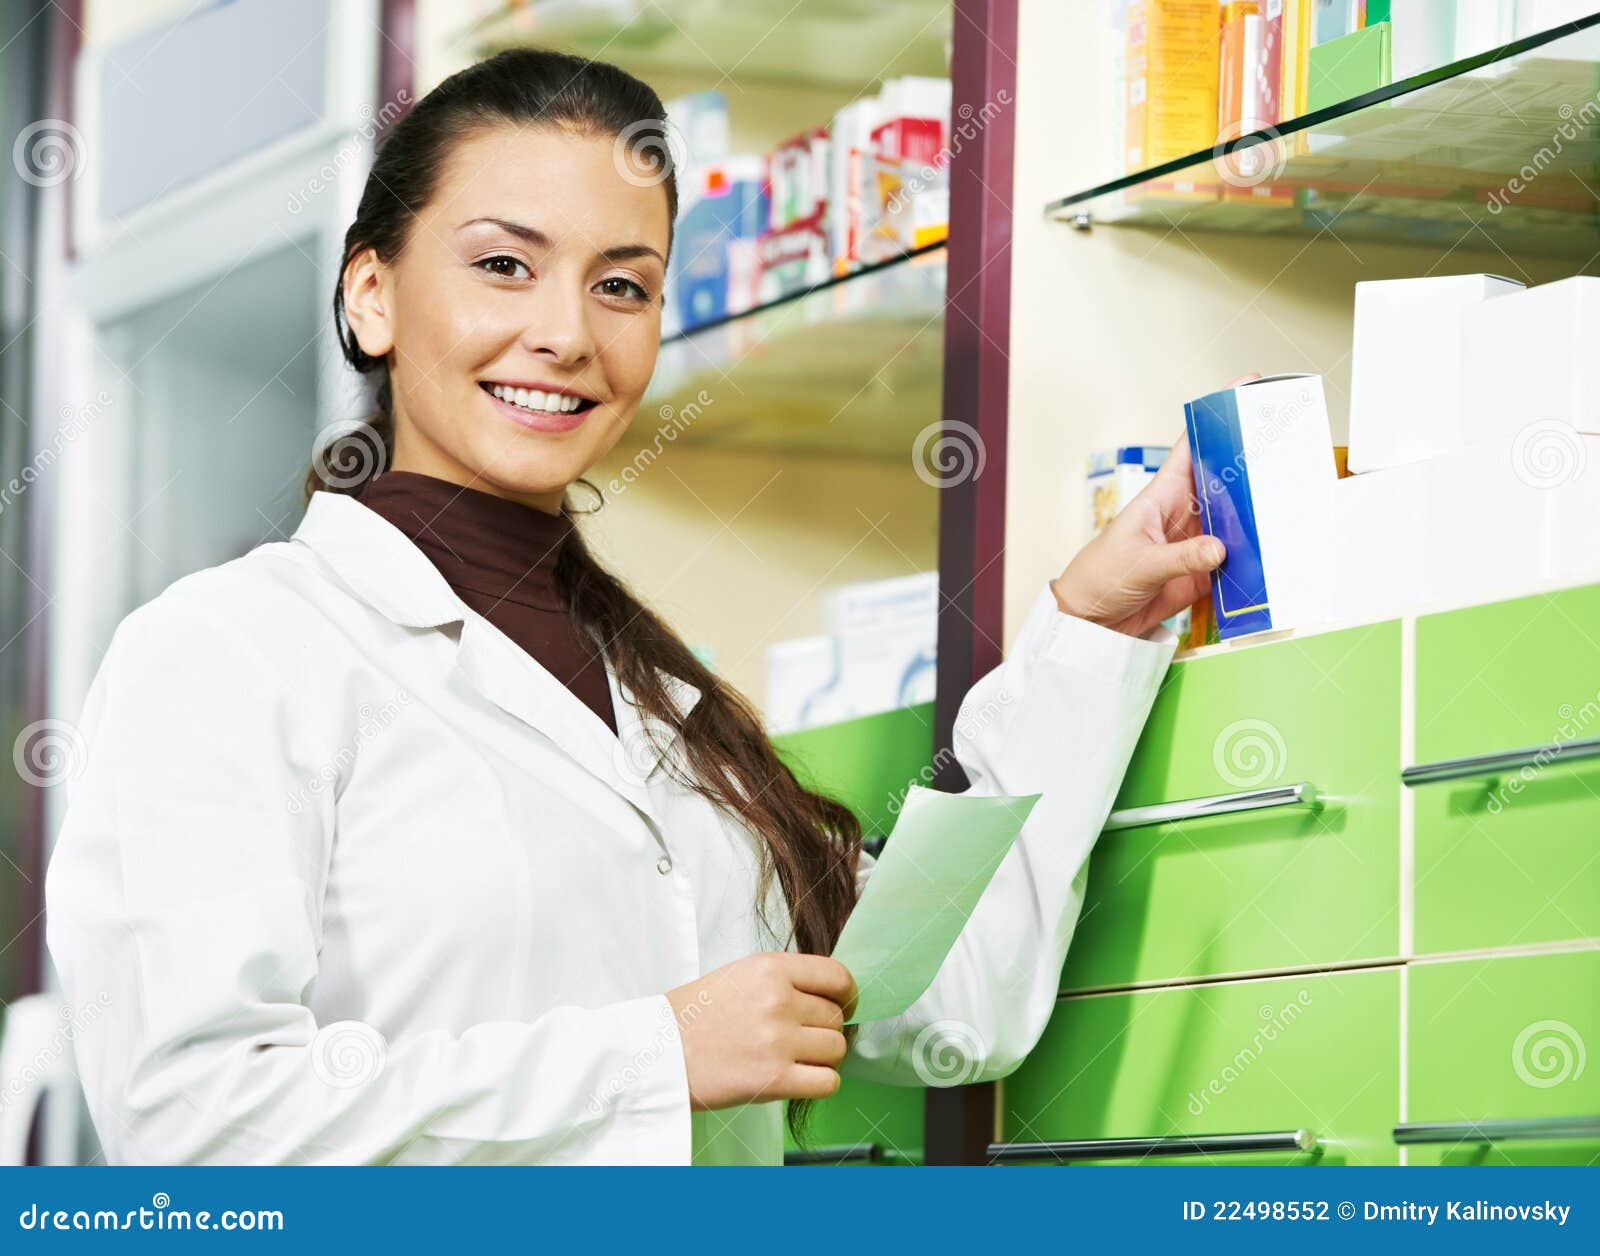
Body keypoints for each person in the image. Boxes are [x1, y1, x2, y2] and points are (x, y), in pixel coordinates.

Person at [43, 48, 1224, 1166]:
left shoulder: (666, 704)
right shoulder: (230, 651)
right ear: (372, 295)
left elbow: (941, 1000)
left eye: (622, 284)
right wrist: (656, 1052)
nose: (563, 333)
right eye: (503, 265)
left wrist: (1087, 634)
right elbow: (193, 1123)